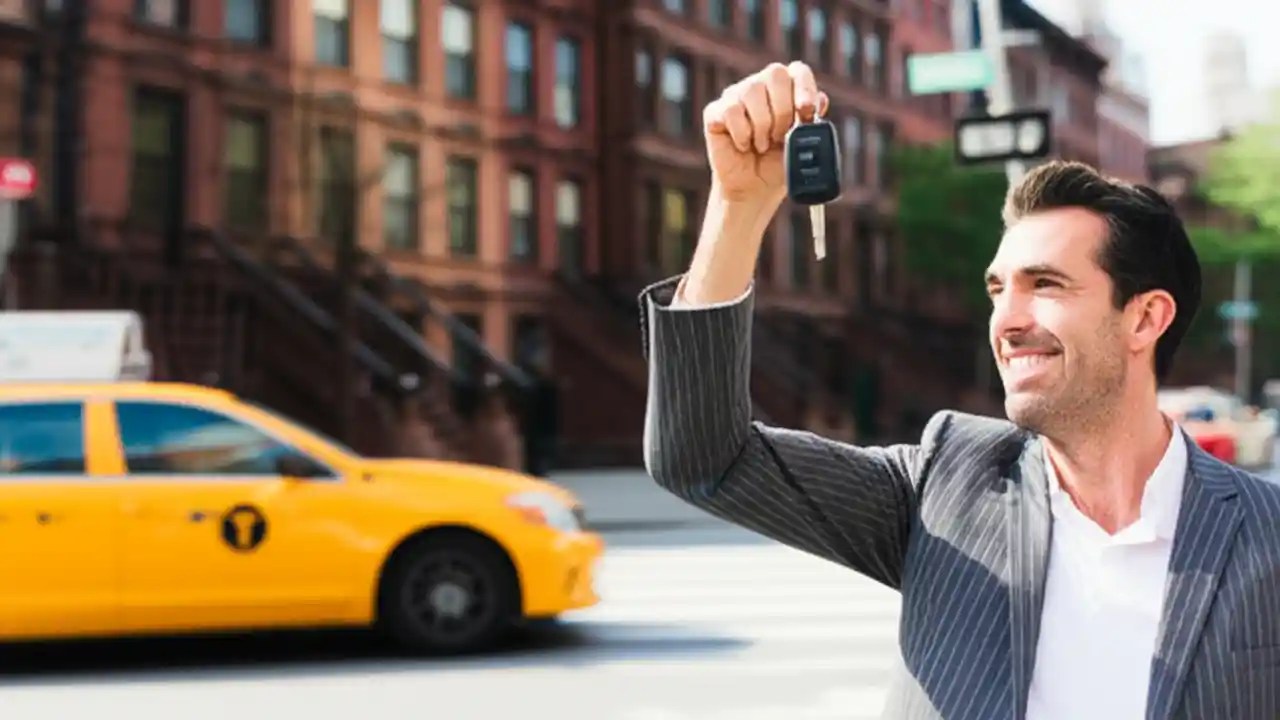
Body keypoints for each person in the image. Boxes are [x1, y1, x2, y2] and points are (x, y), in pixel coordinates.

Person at [638, 60, 1280, 720]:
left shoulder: (1267, 534)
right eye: (998, 289)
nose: (1006, 320)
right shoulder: (943, 489)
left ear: (1145, 318)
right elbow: (702, 455)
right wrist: (738, 208)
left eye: (1047, 285)